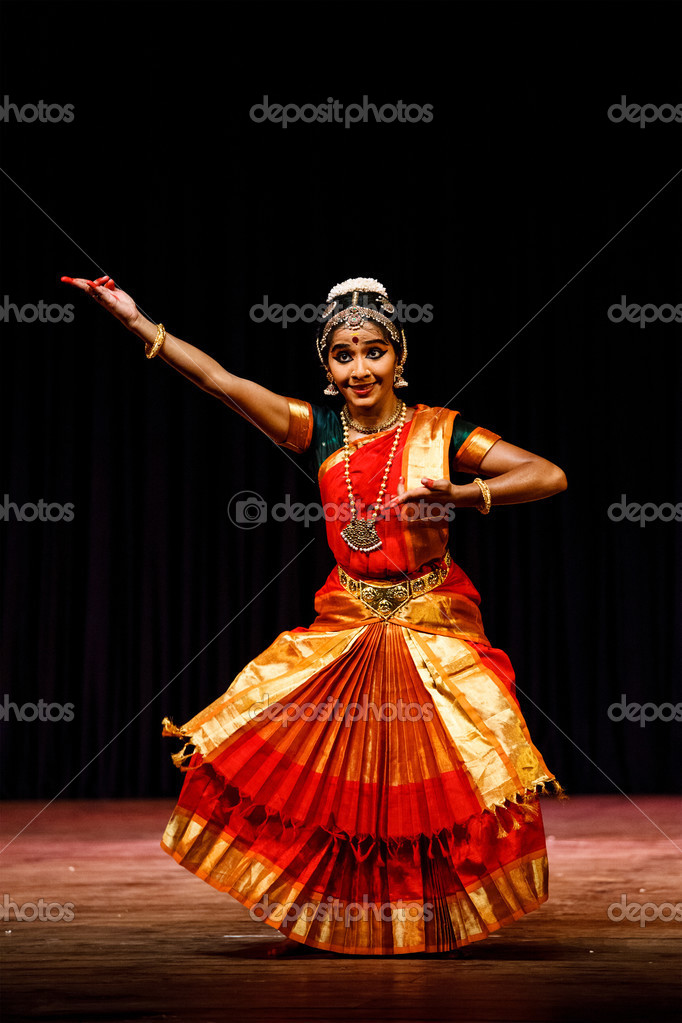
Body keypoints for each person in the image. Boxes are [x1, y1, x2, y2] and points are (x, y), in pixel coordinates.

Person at [61, 273, 567, 957]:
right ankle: (340, 916)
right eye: (343, 354)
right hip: (349, 621)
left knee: (451, 774)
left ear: (400, 357)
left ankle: (431, 914)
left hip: (431, 621)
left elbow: (548, 474)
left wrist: (465, 493)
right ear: (326, 367)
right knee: (333, 776)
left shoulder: (441, 431)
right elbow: (219, 380)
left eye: (374, 351)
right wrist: (134, 322)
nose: (360, 368)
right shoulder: (318, 427)